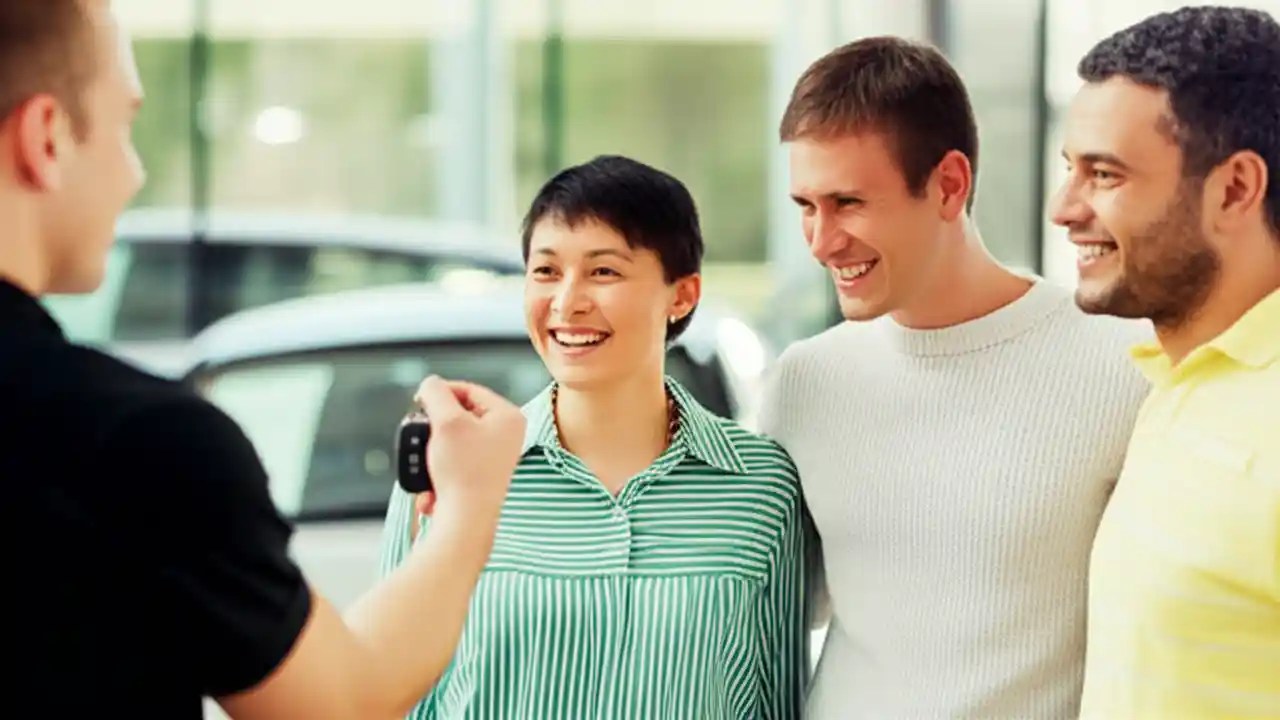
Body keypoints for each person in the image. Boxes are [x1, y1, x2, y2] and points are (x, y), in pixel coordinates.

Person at [2, 2, 526, 718]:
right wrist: (469, 505)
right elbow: (345, 700)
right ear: (45, 138)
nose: (132, 173)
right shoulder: (136, 446)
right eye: (125, 127)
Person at [760, 36, 1153, 718]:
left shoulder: (1122, 365)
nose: (821, 241)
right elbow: (775, 612)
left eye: (848, 203)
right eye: (805, 206)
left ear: (948, 185)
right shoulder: (803, 382)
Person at [380, 154, 810, 719]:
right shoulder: (456, 469)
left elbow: (777, 705)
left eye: (603, 271)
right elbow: (389, 696)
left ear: (682, 295)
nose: (567, 302)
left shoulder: (760, 486)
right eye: (547, 271)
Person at [1050, 6, 1280, 717]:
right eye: (1069, 170)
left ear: (1235, 189)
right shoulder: (1173, 377)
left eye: (1105, 175)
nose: (1064, 207)